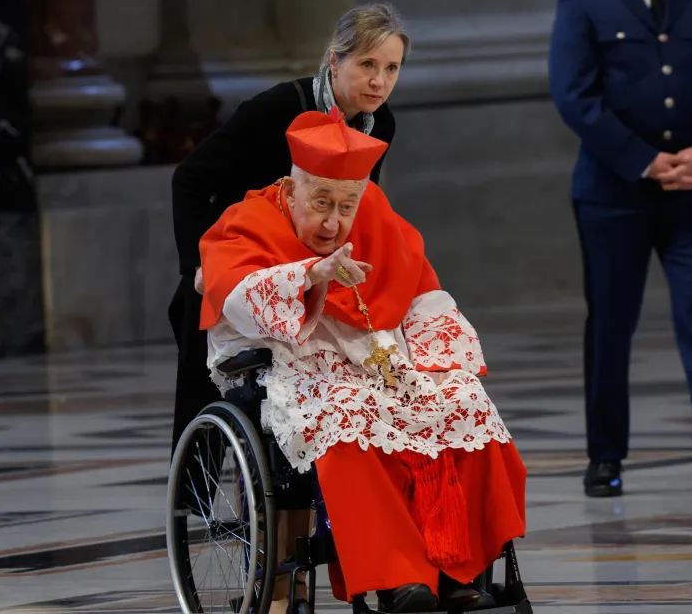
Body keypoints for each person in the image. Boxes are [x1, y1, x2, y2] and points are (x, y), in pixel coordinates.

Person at [198, 108, 527, 613]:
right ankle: (396, 579)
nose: (334, 221)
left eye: (346, 206)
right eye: (321, 202)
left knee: (462, 403)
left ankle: (453, 569)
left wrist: (441, 361)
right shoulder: (248, 221)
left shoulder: (374, 214)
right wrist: (310, 274)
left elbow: (420, 289)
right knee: (350, 418)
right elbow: (235, 295)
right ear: (291, 189)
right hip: (294, 366)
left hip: (378, 364)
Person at [548, 0, 692, 499]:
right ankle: (605, 456)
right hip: (613, 194)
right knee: (611, 326)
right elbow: (574, 93)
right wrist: (640, 158)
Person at [169, 2, 407, 456]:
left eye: (392, 68)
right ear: (334, 61)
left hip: (309, 270)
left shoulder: (382, 123)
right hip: (240, 264)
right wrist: (202, 268)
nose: (380, 81)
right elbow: (191, 179)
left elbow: (358, 209)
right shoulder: (277, 108)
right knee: (203, 400)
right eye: (367, 65)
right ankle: (194, 505)